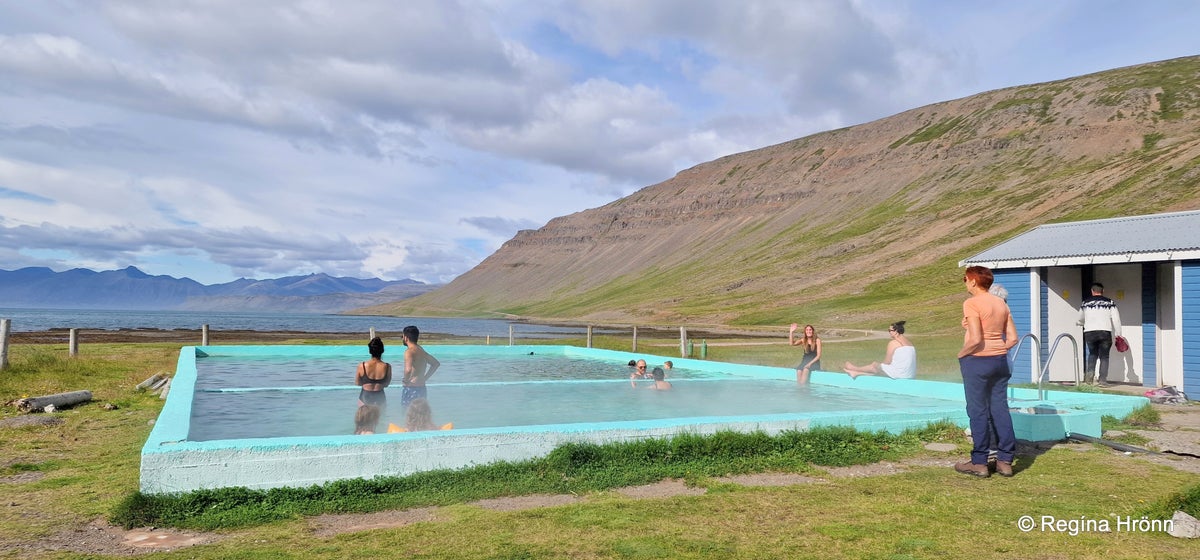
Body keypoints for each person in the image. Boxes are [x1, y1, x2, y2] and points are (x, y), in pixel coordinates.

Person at [955, 266, 1019, 478]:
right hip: (1000, 361)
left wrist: (962, 354)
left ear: (973, 281)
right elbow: (1012, 339)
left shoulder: (971, 303)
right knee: (1000, 408)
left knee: (977, 410)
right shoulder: (1000, 303)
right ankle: (1005, 460)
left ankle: (979, 462)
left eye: (965, 279)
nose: (964, 282)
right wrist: (998, 349)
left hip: (978, 361)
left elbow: (975, 339)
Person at [1078, 282, 1122, 386]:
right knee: (1104, 356)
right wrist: (1118, 334)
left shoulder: (1085, 303)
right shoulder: (1109, 302)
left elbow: (1080, 318)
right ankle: (1102, 380)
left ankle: (1089, 380)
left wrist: (1080, 323)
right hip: (1104, 332)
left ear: (1092, 291)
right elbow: (1116, 319)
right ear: (1103, 291)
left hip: (1089, 332)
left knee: (1092, 354)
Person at [842, 321, 916, 379]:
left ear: (896, 332)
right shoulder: (910, 343)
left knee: (875, 366)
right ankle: (857, 373)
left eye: (890, 330)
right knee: (879, 369)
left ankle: (854, 369)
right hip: (910, 374)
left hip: (900, 374)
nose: (889, 332)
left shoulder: (894, 343)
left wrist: (879, 367)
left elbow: (886, 362)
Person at [401, 325, 440, 407]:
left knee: (407, 413)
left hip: (411, 387)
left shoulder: (409, 352)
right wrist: (425, 378)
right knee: (420, 414)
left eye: (402, 336)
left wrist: (405, 381)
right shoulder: (420, 350)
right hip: (421, 387)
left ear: (406, 337)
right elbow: (435, 364)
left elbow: (408, 370)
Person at [355, 337, 392, 409]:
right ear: (382, 351)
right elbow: (386, 384)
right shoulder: (387, 367)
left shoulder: (362, 366)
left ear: (370, 351)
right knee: (381, 419)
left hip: (365, 396)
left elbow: (358, 383)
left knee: (363, 419)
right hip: (380, 396)